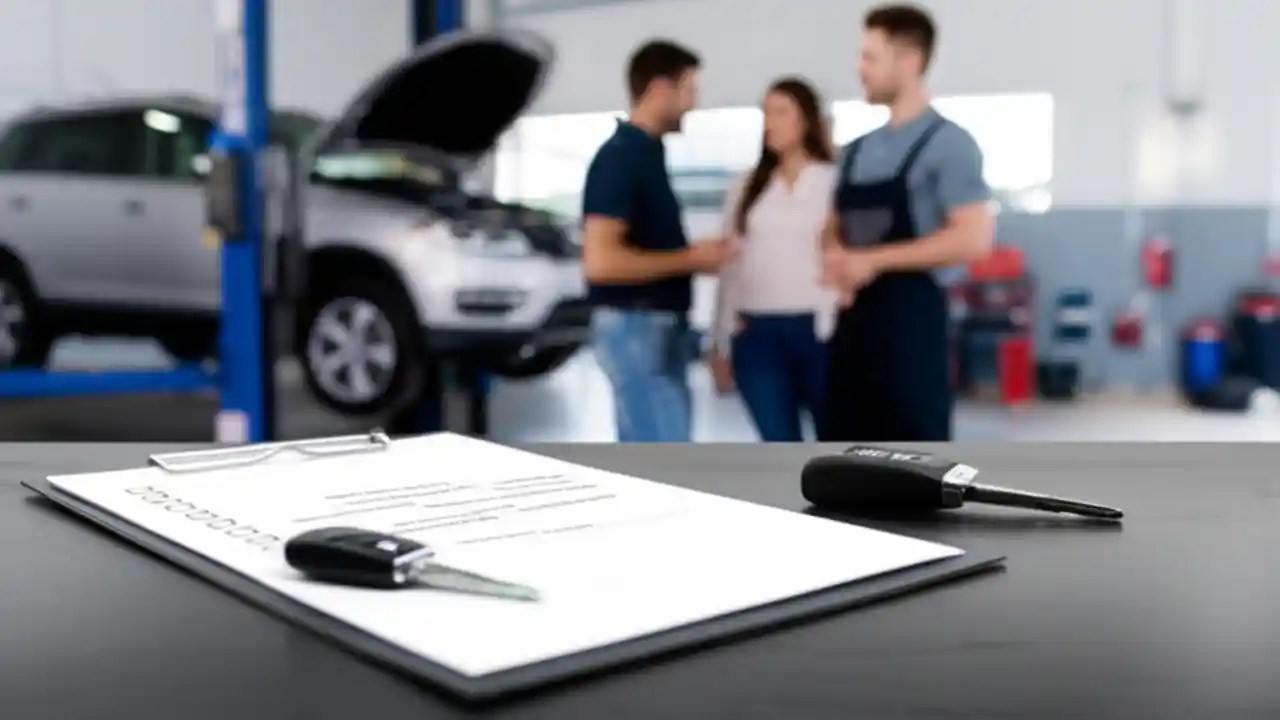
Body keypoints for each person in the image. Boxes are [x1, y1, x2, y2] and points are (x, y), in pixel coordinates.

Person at [818, 4, 996, 441]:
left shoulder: (950, 145)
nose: (861, 70)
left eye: (870, 58)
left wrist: (873, 262)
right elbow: (831, 226)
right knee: (843, 451)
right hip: (851, 327)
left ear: (910, 61)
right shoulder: (855, 151)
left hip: (912, 329)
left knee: (912, 456)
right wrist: (835, 259)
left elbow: (974, 239)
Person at [581, 40, 737, 442]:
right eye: (689, 89)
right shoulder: (620, 157)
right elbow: (601, 262)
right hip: (635, 329)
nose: (693, 103)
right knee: (667, 465)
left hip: (656, 329)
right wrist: (692, 259)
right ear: (659, 88)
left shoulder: (647, 155)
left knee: (657, 459)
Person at [709, 77, 838, 442]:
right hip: (756, 335)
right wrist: (718, 342)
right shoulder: (745, 186)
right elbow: (729, 268)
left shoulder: (834, 181)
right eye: (766, 112)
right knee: (779, 445)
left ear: (807, 119)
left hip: (820, 334)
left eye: (781, 111)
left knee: (838, 441)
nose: (770, 122)